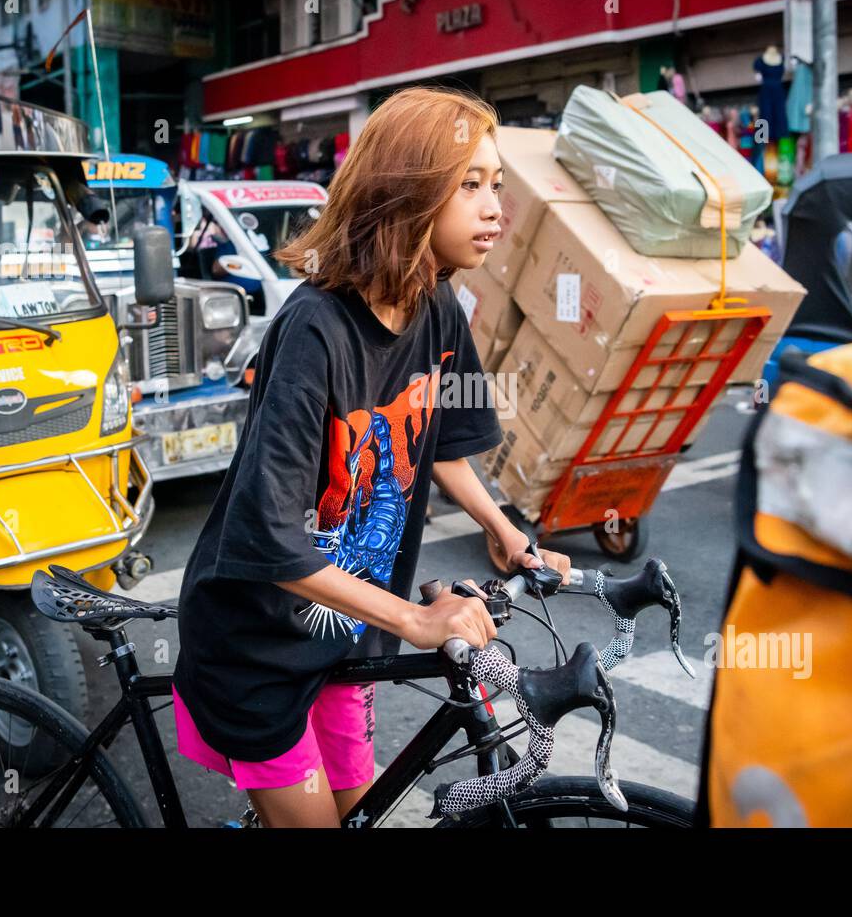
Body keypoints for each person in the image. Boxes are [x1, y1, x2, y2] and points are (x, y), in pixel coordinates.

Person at [170, 86, 572, 828]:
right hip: (256, 643)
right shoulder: (314, 329)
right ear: (408, 194)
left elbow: (443, 444)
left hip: (345, 631)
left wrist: (505, 529)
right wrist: (417, 623)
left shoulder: (438, 307)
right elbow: (270, 541)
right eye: (470, 185)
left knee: (363, 815)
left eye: (497, 186)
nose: (494, 209)